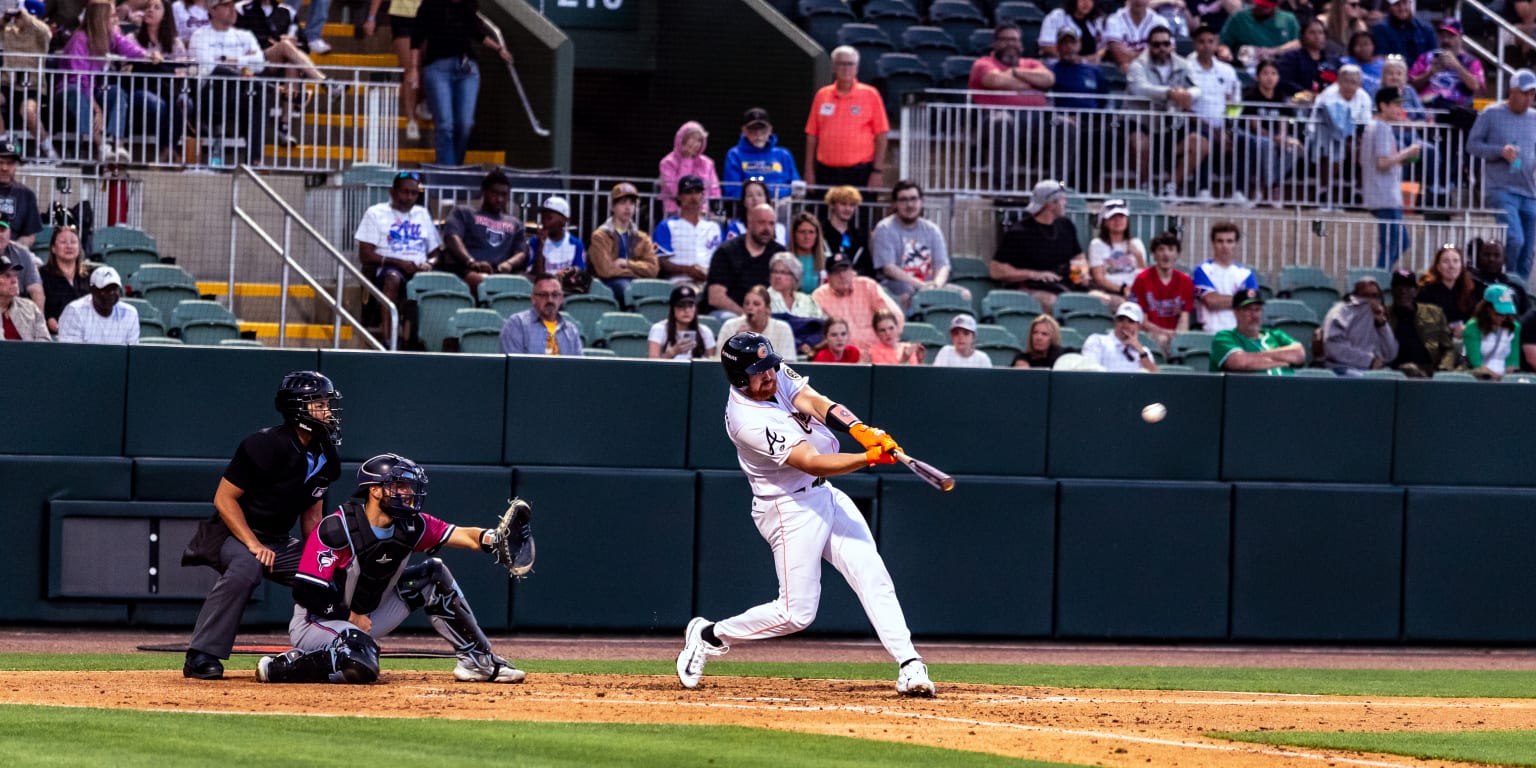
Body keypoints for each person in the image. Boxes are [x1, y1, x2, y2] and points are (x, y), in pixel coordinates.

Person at [676, 332, 934, 697]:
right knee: (796, 614)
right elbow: (811, 463)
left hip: (823, 496)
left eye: (769, 366)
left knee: (871, 571)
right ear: (738, 379)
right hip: (788, 508)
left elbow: (813, 400)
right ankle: (709, 634)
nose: (769, 375)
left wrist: (860, 430)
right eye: (758, 371)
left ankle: (910, 664)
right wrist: (867, 458)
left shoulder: (773, 373)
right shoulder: (746, 419)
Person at [258, 453, 529, 685]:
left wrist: (493, 539)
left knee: (434, 574)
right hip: (317, 622)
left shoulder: (413, 525)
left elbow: (463, 535)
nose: (409, 493)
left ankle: (477, 661)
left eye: (409, 486)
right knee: (361, 662)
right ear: (375, 490)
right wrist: (349, 616)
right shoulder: (336, 529)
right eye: (399, 486)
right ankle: (280, 667)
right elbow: (306, 591)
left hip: (368, 615)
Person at [179, 371, 343, 680]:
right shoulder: (264, 444)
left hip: (277, 541)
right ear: (298, 409)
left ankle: (331, 651)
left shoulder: (325, 455)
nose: (328, 411)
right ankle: (201, 655)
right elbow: (224, 499)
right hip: (232, 535)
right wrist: (253, 544)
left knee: (331, 573)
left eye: (327, 404)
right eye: (319, 404)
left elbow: (312, 516)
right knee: (246, 569)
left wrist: (318, 562)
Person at [58, 1, 162, 164]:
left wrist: (148, 55)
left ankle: (118, 145)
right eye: (112, 15)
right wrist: (97, 109)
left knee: (116, 92)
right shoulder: (80, 39)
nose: (116, 19)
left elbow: (129, 49)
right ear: (100, 17)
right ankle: (101, 146)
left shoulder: (110, 35)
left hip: (93, 88)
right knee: (79, 96)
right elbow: (79, 79)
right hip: (72, 88)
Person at [412, 0, 511, 165]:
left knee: (465, 124)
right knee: (445, 125)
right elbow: (416, 39)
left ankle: (454, 168)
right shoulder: (430, 5)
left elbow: (478, 33)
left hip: (467, 68)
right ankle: (448, 174)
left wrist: (499, 49)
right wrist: (414, 69)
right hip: (438, 68)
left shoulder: (467, 5)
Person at [355, 171, 441, 344]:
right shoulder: (375, 213)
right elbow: (365, 254)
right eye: (405, 192)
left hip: (419, 270)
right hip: (388, 267)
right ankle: (388, 339)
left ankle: (429, 340)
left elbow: (435, 253)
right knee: (392, 279)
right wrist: (397, 262)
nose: (409, 197)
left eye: (414, 193)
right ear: (392, 192)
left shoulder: (422, 213)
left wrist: (429, 264)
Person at [1468, 68, 1536, 279]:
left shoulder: (1535, 118)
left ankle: (1520, 292)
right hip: (1501, 189)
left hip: (1530, 190)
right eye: (1524, 93)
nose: (1529, 98)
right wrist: (1499, 151)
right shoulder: (1491, 113)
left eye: (1532, 93)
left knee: (1528, 251)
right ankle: (1508, 280)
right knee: (1515, 239)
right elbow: (1472, 145)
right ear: (1512, 91)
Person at [1128, 26, 1209, 199]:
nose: (1162, 48)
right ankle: (1146, 187)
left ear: (1172, 45)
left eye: (1166, 43)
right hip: (1145, 123)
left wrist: (1187, 94)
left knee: (1200, 143)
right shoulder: (1138, 65)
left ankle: (1171, 187)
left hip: (1173, 125)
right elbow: (1139, 88)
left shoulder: (1183, 64)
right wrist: (1169, 93)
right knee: (1138, 141)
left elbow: (1198, 88)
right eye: (1157, 44)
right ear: (1149, 46)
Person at [190, 0, 271, 166]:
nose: (232, 10)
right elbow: (207, 66)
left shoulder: (245, 36)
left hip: (240, 95)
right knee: (221, 73)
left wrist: (229, 60)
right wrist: (243, 64)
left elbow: (259, 63)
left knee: (259, 93)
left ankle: (254, 159)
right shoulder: (200, 35)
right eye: (226, 5)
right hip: (210, 95)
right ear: (212, 10)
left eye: (233, 5)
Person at [990, 179, 1082, 316]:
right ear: (1051, 204)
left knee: (1100, 301)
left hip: (1064, 285)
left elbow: (1078, 257)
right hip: (1029, 288)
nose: (1065, 203)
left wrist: (1079, 276)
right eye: (1063, 200)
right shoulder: (1019, 232)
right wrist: (1035, 275)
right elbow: (996, 270)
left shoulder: (1066, 226)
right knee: (1052, 302)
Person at [803, 45, 889, 189]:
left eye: (850, 64)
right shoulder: (822, 95)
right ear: (833, 67)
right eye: (841, 63)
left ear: (857, 67)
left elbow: (881, 135)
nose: (846, 68)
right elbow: (812, 135)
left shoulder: (871, 95)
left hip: (860, 173)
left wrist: (877, 171)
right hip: (826, 173)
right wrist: (809, 170)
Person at [872, 180, 965, 310]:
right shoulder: (884, 228)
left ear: (921, 202)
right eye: (903, 200)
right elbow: (889, 268)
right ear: (894, 204)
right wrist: (920, 285)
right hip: (896, 284)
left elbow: (942, 265)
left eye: (913, 199)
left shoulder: (932, 229)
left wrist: (936, 286)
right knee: (906, 291)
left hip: (930, 285)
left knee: (964, 295)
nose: (909, 204)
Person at [440, 169, 526, 298]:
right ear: (484, 192)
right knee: (482, 281)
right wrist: (471, 262)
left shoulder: (515, 223)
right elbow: (452, 237)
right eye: (495, 194)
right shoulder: (464, 213)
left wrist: (508, 264)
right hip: (468, 270)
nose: (499, 199)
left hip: (501, 272)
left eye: (504, 195)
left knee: (527, 284)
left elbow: (521, 252)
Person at [1360, 86, 1418, 269]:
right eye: (1394, 105)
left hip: (1383, 194)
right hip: (1384, 196)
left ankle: (1380, 276)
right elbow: (1382, 162)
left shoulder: (1374, 126)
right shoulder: (1381, 127)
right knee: (1392, 244)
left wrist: (1400, 159)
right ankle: (1379, 279)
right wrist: (1406, 152)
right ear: (1382, 106)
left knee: (1400, 242)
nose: (1398, 109)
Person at [1238, 58, 1303, 205]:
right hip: (1254, 137)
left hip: (1275, 138)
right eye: (1265, 73)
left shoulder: (1281, 97)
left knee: (1294, 147)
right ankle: (1271, 187)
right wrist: (1275, 138)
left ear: (1278, 77)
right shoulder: (1251, 96)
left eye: (1273, 73)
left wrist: (1283, 138)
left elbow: (1284, 123)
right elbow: (1256, 127)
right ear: (1257, 76)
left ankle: (1269, 185)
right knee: (1267, 144)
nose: (1270, 77)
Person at [811, 251, 904, 353]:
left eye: (845, 270)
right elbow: (816, 334)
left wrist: (885, 345)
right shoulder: (819, 296)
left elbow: (896, 316)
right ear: (828, 277)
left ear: (852, 271)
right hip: (843, 358)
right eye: (836, 272)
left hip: (877, 353)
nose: (842, 275)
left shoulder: (868, 286)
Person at [132, 0, 189, 162]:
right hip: (142, 87)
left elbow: (182, 71)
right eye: (148, 7)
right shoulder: (133, 38)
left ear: (166, 16)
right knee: (158, 104)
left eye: (156, 7)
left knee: (184, 102)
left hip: (168, 89)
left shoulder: (175, 43)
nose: (150, 10)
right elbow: (126, 66)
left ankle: (167, 148)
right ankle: (168, 149)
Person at [361, 0, 426, 141]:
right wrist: (371, 17)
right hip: (402, 13)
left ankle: (423, 100)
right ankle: (411, 120)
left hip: (429, 12)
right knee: (409, 67)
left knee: (426, 64)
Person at [587, 182, 660, 308]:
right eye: (622, 203)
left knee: (657, 291)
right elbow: (605, 270)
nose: (628, 207)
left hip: (637, 283)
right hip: (608, 283)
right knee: (627, 289)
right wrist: (638, 271)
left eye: (631, 203)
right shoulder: (600, 236)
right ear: (612, 207)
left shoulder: (642, 237)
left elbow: (653, 269)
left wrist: (626, 263)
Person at [709, 203, 786, 318]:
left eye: (771, 224)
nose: (767, 229)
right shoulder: (726, 252)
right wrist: (746, 316)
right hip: (733, 314)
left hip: (767, 316)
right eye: (762, 222)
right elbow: (716, 297)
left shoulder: (780, 254)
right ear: (749, 223)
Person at [1211, 287, 1306, 374]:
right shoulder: (1225, 337)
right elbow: (1240, 362)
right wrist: (1284, 361)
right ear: (1236, 312)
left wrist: (1254, 358)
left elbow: (1299, 354)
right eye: (1248, 310)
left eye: (1257, 309)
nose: (1254, 315)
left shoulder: (1276, 334)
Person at [1130, 230, 1195, 355]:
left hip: (1174, 335)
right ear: (1154, 254)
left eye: (1171, 249)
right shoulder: (1142, 280)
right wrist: (1165, 333)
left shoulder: (1185, 281)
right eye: (1161, 249)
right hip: (1149, 335)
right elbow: (1142, 321)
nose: (1166, 254)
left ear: (1177, 254)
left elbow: (1184, 319)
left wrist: (1178, 337)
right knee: (1162, 340)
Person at [654, 174, 723, 288]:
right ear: (679, 197)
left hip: (710, 283)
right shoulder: (667, 225)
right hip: (679, 281)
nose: (693, 197)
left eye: (697, 192)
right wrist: (687, 270)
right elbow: (660, 261)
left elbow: (723, 260)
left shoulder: (714, 227)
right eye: (688, 192)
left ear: (703, 196)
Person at [1321, 277, 1398, 375]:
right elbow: (1334, 348)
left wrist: (1381, 325)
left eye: (1374, 296)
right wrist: (1369, 361)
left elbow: (1390, 355)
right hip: (1342, 368)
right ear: (1355, 296)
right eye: (1365, 296)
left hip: (1374, 371)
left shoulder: (1379, 317)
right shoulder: (1340, 312)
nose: (1371, 301)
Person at [1387, 268, 1456, 376]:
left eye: (1408, 287)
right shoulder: (1384, 316)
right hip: (1393, 373)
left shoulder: (1434, 313)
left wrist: (1444, 370)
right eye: (1398, 286)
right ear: (1391, 290)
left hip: (1428, 372)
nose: (1402, 291)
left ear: (1416, 291)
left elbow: (1448, 349)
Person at [1192, 221, 1258, 332]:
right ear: (1213, 243)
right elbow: (1211, 301)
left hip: (1238, 334)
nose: (1224, 246)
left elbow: (1251, 305)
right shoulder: (1202, 270)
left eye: (1229, 241)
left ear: (1235, 244)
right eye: (1220, 241)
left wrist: (1223, 299)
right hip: (1209, 332)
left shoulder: (1246, 274)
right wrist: (1241, 299)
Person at [721, 108, 801, 200]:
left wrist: (769, 195)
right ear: (744, 131)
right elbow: (732, 190)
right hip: (749, 207)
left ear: (770, 130)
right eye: (753, 129)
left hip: (782, 205)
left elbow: (797, 188)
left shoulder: (784, 154)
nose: (758, 134)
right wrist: (761, 197)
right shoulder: (734, 155)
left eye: (763, 129)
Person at [1407, 19, 1483, 111]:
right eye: (1442, 36)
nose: (1445, 40)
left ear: (1460, 38)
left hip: (1456, 112)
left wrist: (1457, 66)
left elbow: (1476, 88)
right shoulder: (1426, 57)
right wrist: (1430, 73)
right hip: (1427, 108)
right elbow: (1410, 86)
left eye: (1451, 36)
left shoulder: (1471, 61)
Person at [498, 272, 581, 355]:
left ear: (561, 299)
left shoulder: (571, 331)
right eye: (543, 295)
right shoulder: (517, 324)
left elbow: (579, 366)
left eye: (555, 295)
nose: (550, 300)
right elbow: (513, 365)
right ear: (533, 298)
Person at [57, 265, 138, 344]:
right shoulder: (74, 312)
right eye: (105, 289)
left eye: (114, 288)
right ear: (92, 290)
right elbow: (71, 353)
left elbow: (132, 353)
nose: (111, 293)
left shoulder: (130, 313)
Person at [767, 252, 826, 359]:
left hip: (809, 352)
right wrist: (798, 343)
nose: (777, 276)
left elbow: (822, 327)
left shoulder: (807, 300)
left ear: (795, 277)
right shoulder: (764, 299)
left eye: (784, 272)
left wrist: (810, 343)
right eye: (774, 272)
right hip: (775, 353)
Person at [1088, 199, 1146, 303]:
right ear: (1104, 222)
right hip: (1110, 292)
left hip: (1136, 291)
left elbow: (1144, 274)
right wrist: (1122, 289)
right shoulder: (1097, 244)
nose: (1118, 220)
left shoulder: (1136, 243)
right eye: (1112, 218)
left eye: (1121, 216)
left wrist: (1138, 255)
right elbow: (1099, 278)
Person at [719, 285, 797, 361]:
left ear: (768, 309)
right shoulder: (729, 326)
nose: (750, 307)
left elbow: (788, 364)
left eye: (756, 304)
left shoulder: (782, 329)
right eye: (747, 303)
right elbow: (720, 361)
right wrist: (737, 345)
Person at [658, 121, 721, 215]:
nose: (696, 143)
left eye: (699, 140)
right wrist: (686, 160)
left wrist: (711, 209)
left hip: (703, 212)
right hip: (674, 212)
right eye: (692, 139)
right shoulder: (667, 163)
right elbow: (677, 191)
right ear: (681, 139)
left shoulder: (708, 163)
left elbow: (715, 191)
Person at [1463, 284, 1522, 379]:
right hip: (1478, 378)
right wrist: (1495, 379)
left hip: (1505, 379)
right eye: (1498, 313)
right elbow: (1475, 363)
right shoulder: (1473, 326)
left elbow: (1513, 361)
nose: (1502, 317)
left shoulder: (1514, 327)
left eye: (1506, 314)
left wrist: (1507, 379)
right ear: (1487, 309)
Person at [1081, 302, 1159, 372]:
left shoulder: (1144, 351)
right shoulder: (1097, 341)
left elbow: (1155, 377)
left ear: (1138, 326)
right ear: (1115, 322)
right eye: (1121, 320)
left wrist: (1140, 351)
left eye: (1131, 321)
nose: (1125, 325)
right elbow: (1090, 372)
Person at [1417, 244, 1481, 327]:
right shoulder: (1426, 291)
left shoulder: (1469, 290)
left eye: (1456, 261)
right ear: (1438, 267)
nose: (1451, 266)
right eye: (1446, 261)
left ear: (1461, 266)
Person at [39, 225, 87, 335]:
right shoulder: (41, 275)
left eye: (73, 242)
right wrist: (48, 320)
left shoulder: (90, 276)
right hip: (54, 335)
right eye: (63, 242)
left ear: (79, 248)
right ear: (53, 248)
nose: (69, 246)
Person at [648, 283, 715, 360]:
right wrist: (672, 352)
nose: (686, 310)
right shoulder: (659, 329)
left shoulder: (705, 332)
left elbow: (710, 363)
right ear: (673, 308)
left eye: (690, 306)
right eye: (681, 305)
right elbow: (652, 364)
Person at [1219, 0, 1301, 63]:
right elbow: (1223, 43)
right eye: (1259, 5)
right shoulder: (1239, 17)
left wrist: (1272, 51)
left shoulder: (1288, 19)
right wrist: (1224, 52)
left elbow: (1298, 43)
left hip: (1278, 67)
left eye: (1265, 7)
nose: (1261, 9)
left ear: (1275, 6)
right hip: (1243, 66)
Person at [820, 185, 874, 279]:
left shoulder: (859, 236)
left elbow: (868, 267)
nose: (848, 209)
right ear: (832, 205)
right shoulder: (820, 232)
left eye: (852, 205)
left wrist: (856, 273)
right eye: (843, 204)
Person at [1104, 0, 1172, 71]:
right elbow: (1120, 56)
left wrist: (1131, 57)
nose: (1139, 1)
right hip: (1122, 75)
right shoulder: (1114, 20)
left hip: (1154, 71)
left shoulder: (1160, 21)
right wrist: (1153, 54)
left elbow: (1170, 51)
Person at [528, 196, 586, 277]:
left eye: (549, 218)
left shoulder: (576, 244)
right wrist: (541, 247)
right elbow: (535, 275)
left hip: (566, 289)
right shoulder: (535, 241)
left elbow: (579, 275)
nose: (544, 222)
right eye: (543, 217)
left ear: (564, 220)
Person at [1276, 19, 1336, 97]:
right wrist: (1307, 93)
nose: (1317, 37)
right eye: (1312, 32)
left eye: (1321, 33)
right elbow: (1285, 81)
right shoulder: (1291, 58)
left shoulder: (1332, 61)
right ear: (1303, 36)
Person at [1471, 238, 1529, 315]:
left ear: (1504, 259)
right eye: (1486, 255)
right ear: (1478, 257)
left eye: (1496, 255)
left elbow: (1528, 314)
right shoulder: (1469, 283)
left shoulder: (1515, 285)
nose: (1491, 259)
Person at [1370, 0, 1436, 66]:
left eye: (1405, 2)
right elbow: (1380, 59)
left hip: (1422, 74)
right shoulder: (1380, 29)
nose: (1402, 8)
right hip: (1393, 73)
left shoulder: (1426, 29)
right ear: (1390, 6)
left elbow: (1434, 57)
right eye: (1397, 4)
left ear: (1410, 4)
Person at [0, 144, 41, 250]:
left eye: (9, 163)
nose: (4, 168)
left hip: (13, 255)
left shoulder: (26, 195)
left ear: (15, 166)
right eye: (0, 162)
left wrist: (9, 250)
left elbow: (29, 237)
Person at [723, 179, 787, 246]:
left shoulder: (780, 229)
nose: (755, 198)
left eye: (759, 195)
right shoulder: (735, 227)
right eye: (750, 195)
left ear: (766, 199)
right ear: (744, 202)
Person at [0, 251, 48, 341]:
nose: (14, 280)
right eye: (7, 276)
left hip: (29, 355)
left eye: (15, 275)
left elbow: (44, 343)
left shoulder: (30, 308)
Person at [1039, 0, 1105, 61]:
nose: (1086, 3)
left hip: (1088, 68)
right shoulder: (1057, 16)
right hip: (1060, 65)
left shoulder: (1096, 21)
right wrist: (1072, 60)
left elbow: (1104, 46)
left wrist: (1097, 56)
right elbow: (1046, 46)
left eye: (1090, 0)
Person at [0, 217, 43, 309]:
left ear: (9, 232)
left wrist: (38, 320)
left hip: (15, 312)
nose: (0, 235)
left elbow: (36, 290)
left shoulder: (22, 253)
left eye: (3, 230)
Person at [786, 212, 825, 295]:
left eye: (811, 232)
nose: (807, 237)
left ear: (817, 235)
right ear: (794, 235)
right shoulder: (785, 261)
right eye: (802, 232)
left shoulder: (826, 261)